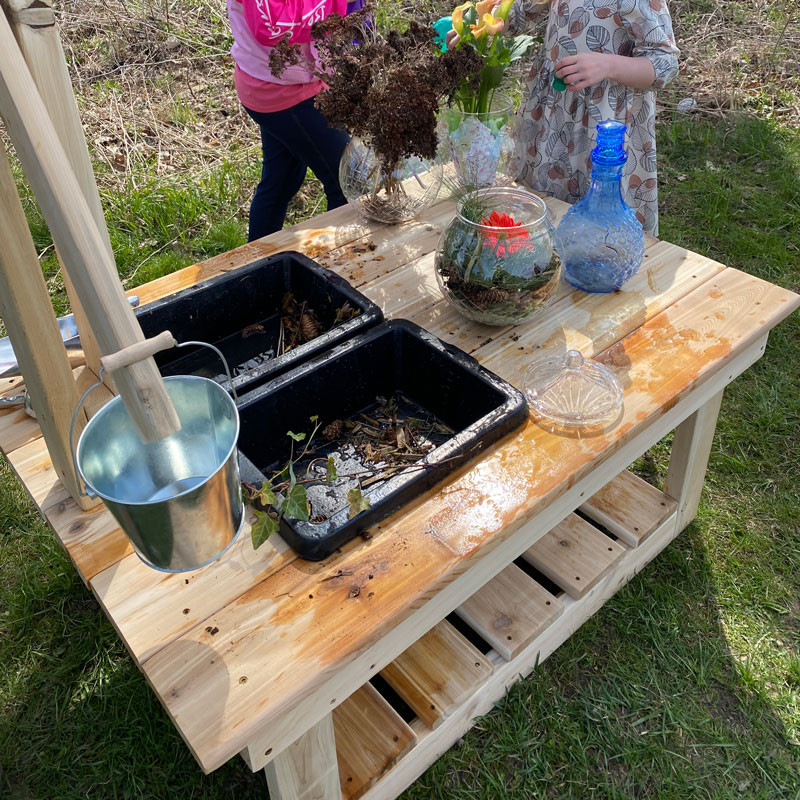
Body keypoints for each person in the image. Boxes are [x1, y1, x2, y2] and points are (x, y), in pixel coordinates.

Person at [506, 0, 679, 235]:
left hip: (605, 122)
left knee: (601, 228)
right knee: (543, 209)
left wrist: (609, 65)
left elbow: (665, 63)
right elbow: (520, 12)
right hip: (552, 117)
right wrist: (476, 23)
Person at [227, 0, 363, 241]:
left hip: (289, 81)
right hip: (281, 91)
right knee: (350, 182)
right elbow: (272, 24)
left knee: (281, 180)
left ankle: (256, 267)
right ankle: (337, 270)